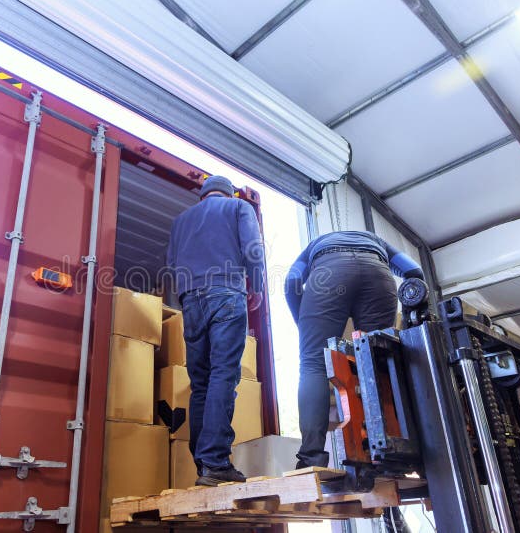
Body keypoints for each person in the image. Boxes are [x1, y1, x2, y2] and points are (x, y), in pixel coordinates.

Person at [284, 230, 423, 468]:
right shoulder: (376, 240)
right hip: (378, 275)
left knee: (313, 364)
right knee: (376, 363)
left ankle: (311, 457)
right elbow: (414, 272)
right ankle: (383, 449)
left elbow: (293, 280)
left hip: (328, 275)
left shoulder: (315, 245)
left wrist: (304, 323)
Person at [166, 175, 265, 486]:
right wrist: (257, 285)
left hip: (190, 299)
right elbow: (252, 248)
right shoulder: (238, 207)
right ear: (229, 192)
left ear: (203, 196)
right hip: (226, 292)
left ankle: (204, 465)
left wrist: (187, 294)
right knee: (224, 373)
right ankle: (216, 462)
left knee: (201, 383)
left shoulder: (181, 220)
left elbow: (171, 263)